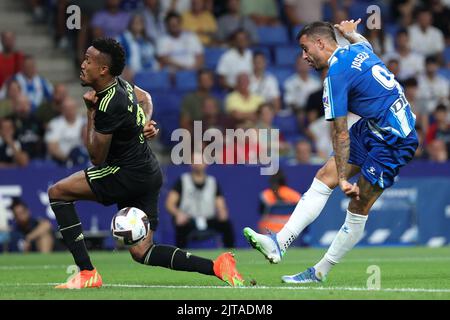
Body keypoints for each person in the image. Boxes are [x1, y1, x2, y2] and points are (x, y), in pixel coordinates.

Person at [47, 38, 243, 289]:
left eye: (88, 60)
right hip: (148, 172)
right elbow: (146, 98)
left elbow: (97, 158)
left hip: (124, 173)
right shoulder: (121, 84)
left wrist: (90, 112)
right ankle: (216, 266)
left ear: (103, 70)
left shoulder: (107, 103)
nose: (83, 65)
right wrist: (144, 123)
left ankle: (87, 272)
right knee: (143, 251)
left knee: (58, 193)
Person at [243, 19, 418, 283]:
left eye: (305, 49)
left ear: (321, 43)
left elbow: (340, 132)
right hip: (374, 126)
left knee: (359, 204)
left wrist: (345, 180)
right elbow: (367, 47)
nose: (304, 57)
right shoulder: (356, 50)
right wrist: (353, 34)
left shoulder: (335, 76)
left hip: (394, 140)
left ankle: (319, 271)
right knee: (325, 176)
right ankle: (279, 242)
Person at [165, 155, 235, 249]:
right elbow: (169, 204)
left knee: (226, 225)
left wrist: (222, 211)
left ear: (206, 164)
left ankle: (231, 253)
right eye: (195, 161)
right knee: (180, 226)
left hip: (208, 219)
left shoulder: (212, 182)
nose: (198, 164)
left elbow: (220, 204)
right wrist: (178, 214)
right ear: (191, 164)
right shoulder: (182, 181)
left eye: (201, 161)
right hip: (189, 220)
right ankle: (180, 256)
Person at [257, 170, 308, 246]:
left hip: (268, 232)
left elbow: (261, 212)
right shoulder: (294, 195)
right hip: (290, 231)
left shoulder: (265, 195)